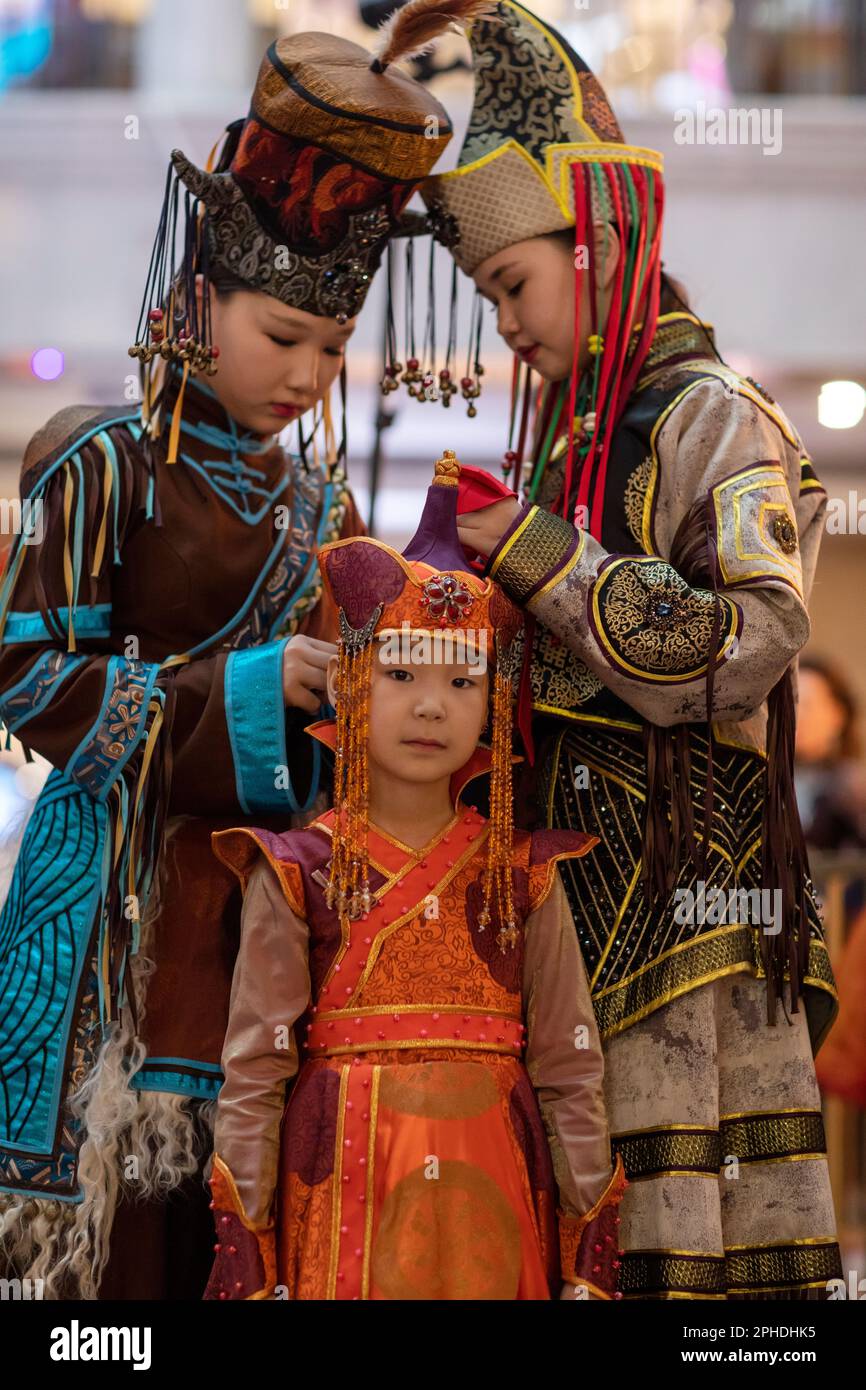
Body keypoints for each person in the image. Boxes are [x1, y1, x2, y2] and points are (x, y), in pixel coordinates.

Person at [0, 7, 478, 1299]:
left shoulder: (320, 510)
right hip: (111, 898)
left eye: (332, 349)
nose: (311, 376)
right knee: (111, 1234)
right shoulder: (105, 464)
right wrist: (259, 690)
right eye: (283, 338)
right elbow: (27, 676)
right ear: (194, 300)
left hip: (258, 914)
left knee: (232, 1206)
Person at [416, 0, 842, 1299]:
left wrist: (536, 552)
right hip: (570, 916)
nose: (505, 332)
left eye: (511, 288)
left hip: (687, 921)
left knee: (687, 1256)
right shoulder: (575, 443)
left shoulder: (710, 418)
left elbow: (751, 638)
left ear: (599, 241)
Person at [205, 450, 624, 1301]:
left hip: (496, 1195)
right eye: (400, 674)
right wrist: (250, 1265)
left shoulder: (527, 875)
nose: (431, 705)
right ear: (350, 686)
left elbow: (570, 1071)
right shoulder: (294, 870)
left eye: (462, 681)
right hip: (342, 1190)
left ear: (493, 708)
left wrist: (589, 1263)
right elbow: (255, 1075)